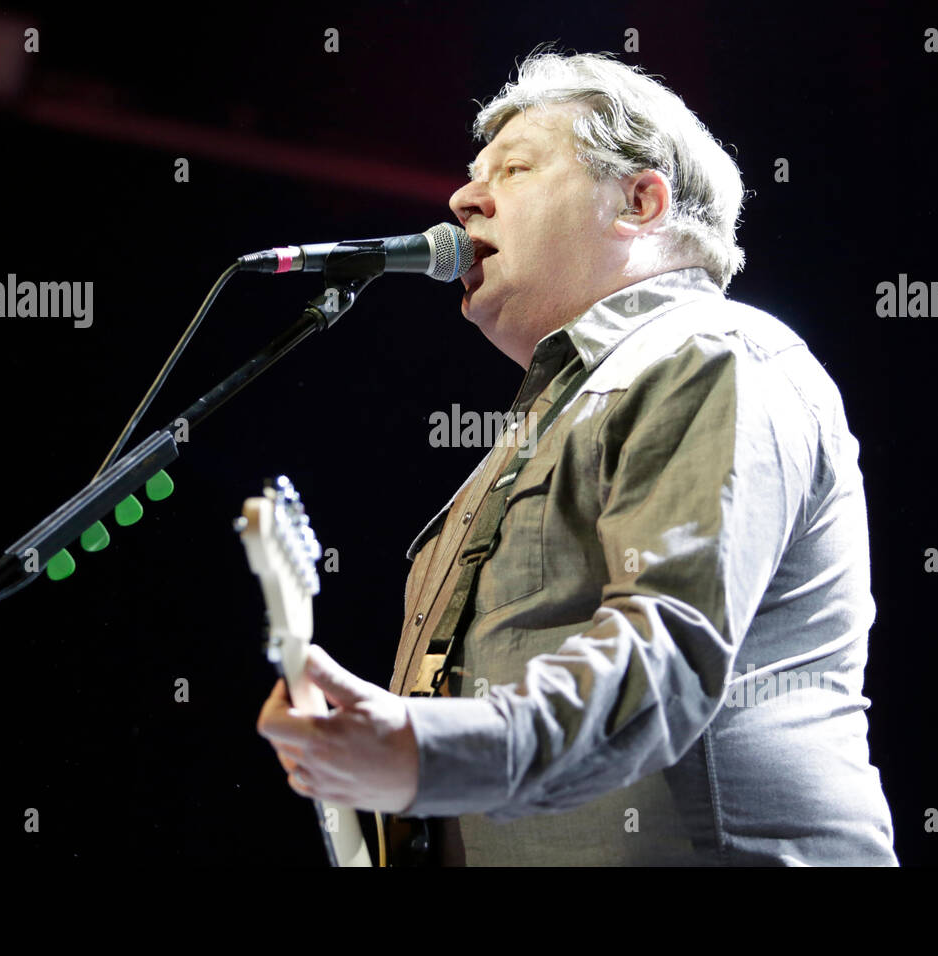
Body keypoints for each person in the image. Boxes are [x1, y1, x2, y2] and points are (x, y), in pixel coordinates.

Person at [258, 49, 899, 866]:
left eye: (516, 168)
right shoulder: (548, 425)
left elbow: (664, 652)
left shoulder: (710, 355)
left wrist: (424, 750)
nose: (460, 198)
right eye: (472, 173)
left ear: (640, 200)